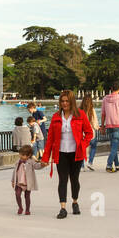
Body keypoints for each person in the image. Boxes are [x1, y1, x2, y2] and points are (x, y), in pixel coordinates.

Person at [40, 89, 94, 219]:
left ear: (72, 102)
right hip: (61, 153)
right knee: (62, 180)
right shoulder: (56, 117)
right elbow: (50, 139)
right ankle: (63, 208)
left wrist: (83, 144)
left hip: (76, 153)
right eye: (62, 101)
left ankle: (75, 202)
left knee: (74, 180)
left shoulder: (80, 114)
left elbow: (89, 133)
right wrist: (45, 157)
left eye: (67, 101)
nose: (64, 103)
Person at [98, 83, 119, 172]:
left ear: (111, 88)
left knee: (113, 145)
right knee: (115, 146)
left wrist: (103, 126)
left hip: (109, 124)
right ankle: (109, 164)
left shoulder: (105, 99)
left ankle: (117, 164)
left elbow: (103, 113)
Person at [11, 144, 47, 215]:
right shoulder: (18, 161)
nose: (21, 156)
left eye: (23, 155)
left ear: (28, 155)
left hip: (27, 183)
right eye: (20, 154)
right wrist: (13, 180)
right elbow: (14, 171)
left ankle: (27, 209)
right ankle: (20, 207)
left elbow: (37, 166)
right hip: (19, 183)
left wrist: (42, 165)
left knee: (27, 197)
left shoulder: (31, 162)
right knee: (17, 194)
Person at [79, 94, 100, 171]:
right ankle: (90, 162)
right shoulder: (92, 110)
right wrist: (97, 127)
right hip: (91, 132)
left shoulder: (79, 110)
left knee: (82, 150)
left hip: (82, 133)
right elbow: (94, 121)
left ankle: (82, 166)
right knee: (93, 147)